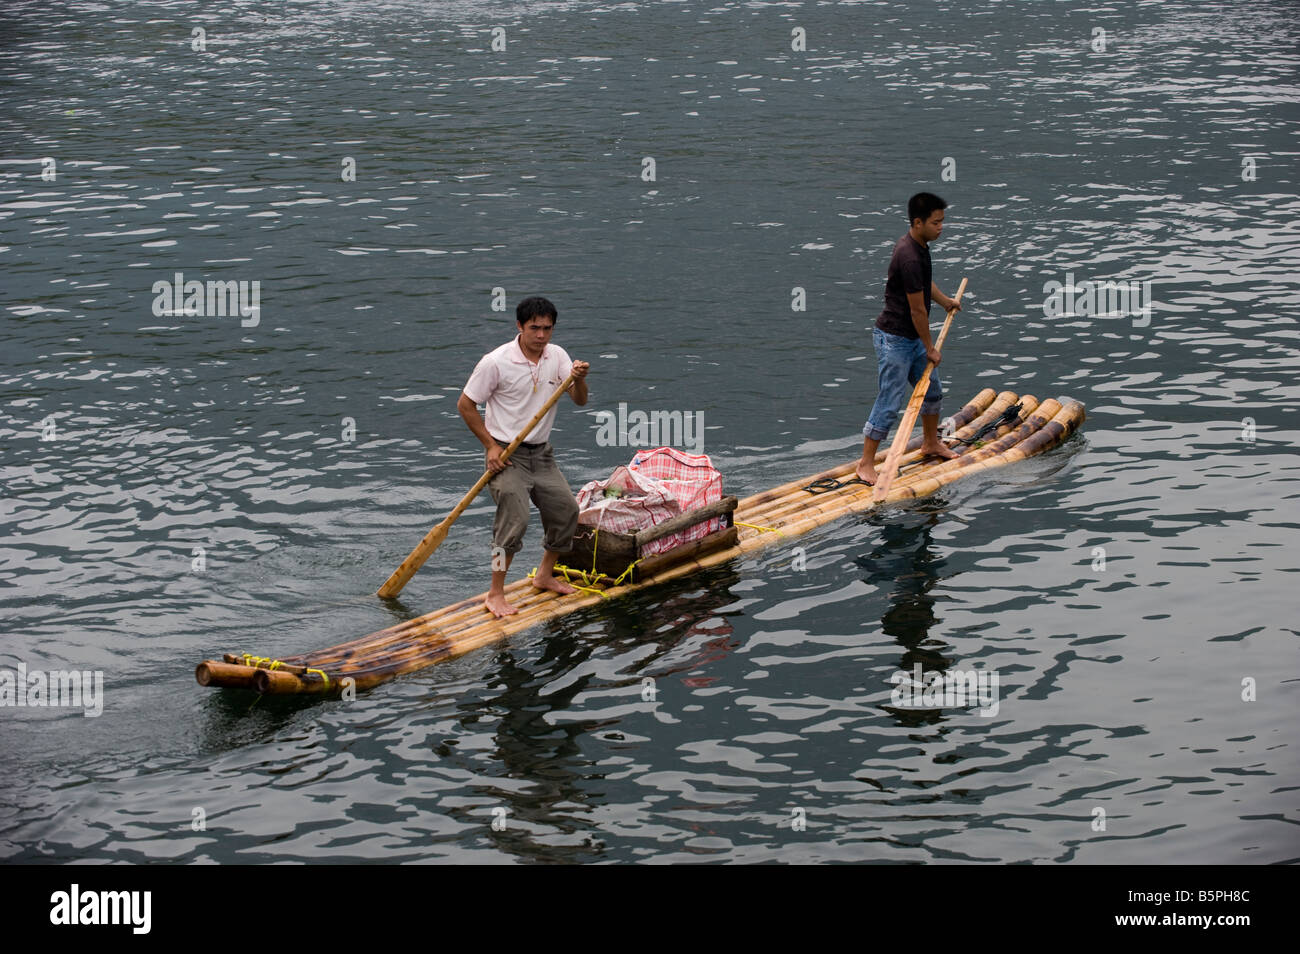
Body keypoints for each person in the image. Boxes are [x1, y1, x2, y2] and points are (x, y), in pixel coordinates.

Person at [457, 297, 590, 617]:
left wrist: (579, 378)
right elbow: (465, 405)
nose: (542, 336)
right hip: (507, 456)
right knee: (514, 522)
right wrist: (490, 446)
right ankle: (495, 592)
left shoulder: (558, 356)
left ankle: (544, 574)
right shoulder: (495, 362)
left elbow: (580, 401)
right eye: (535, 328)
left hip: (541, 454)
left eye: (547, 329)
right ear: (519, 326)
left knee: (566, 511)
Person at [856, 192, 963, 485]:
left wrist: (945, 302)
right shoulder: (908, 257)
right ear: (918, 223)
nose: (941, 227)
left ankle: (930, 443)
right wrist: (929, 348)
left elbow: (924, 285)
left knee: (932, 392)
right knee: (889, 401)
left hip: (912, 337)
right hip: (896, 339)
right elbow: (917, 311)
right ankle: (865, 464)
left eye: (943, 221)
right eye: (936, 222)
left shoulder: (920, 246)